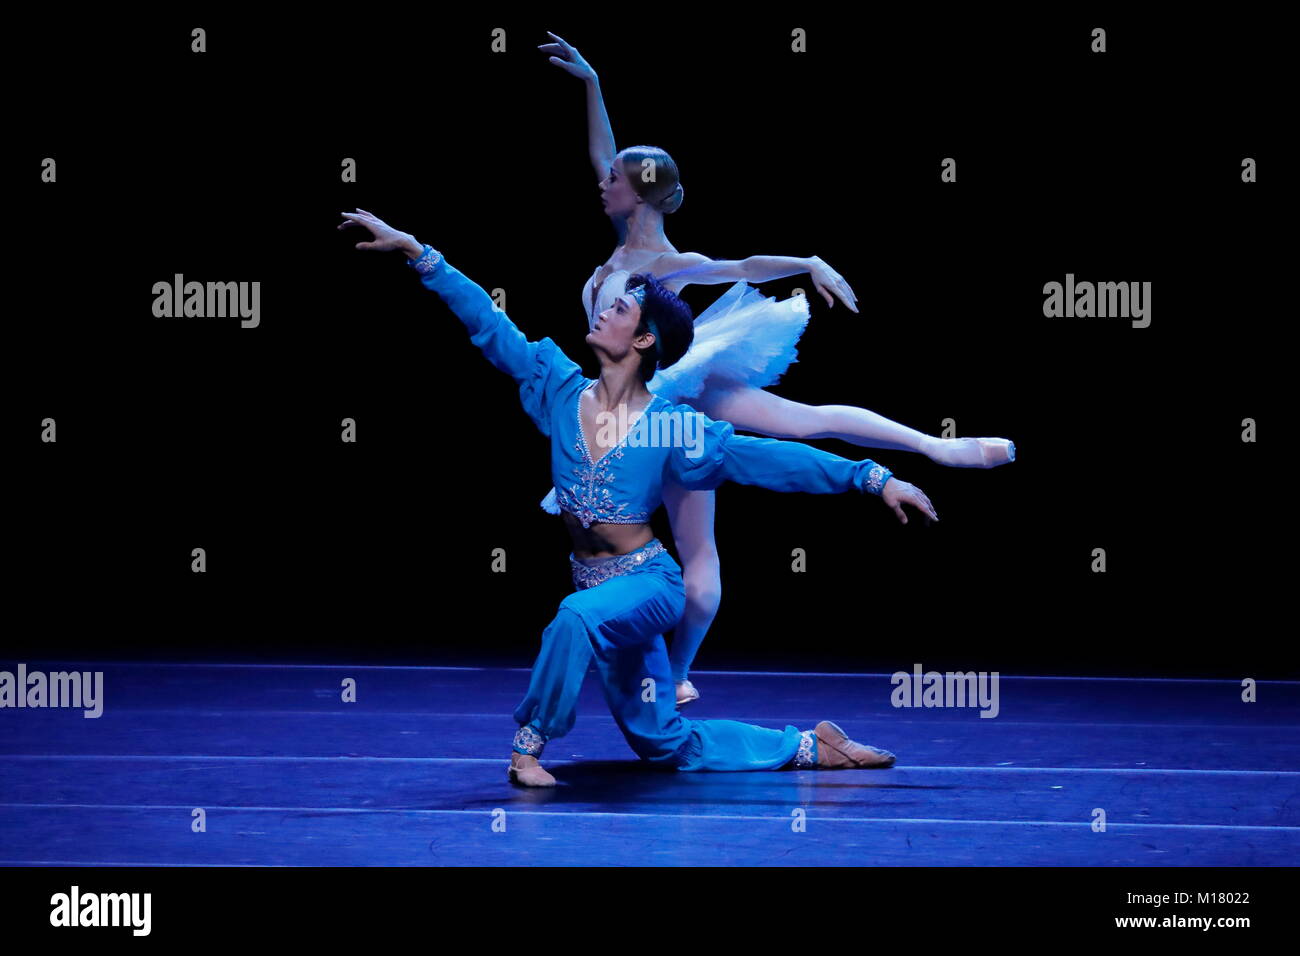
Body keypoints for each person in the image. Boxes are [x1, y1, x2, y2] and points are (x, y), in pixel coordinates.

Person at [339, 208, 938, 786]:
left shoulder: (673, 425)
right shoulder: (558, 388)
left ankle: (527, 748)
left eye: (620, 308)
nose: (604, 312)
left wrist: (872, 477)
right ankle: (810, 745)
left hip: (649, 585)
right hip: (594, 583)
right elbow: (491, 327)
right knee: (664, 742)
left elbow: (769, 458)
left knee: (572, 620)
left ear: (645, 337)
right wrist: (420, 254)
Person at [537, 31, 1015, 707]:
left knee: (792, 438)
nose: (602, 180)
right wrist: (590, 80)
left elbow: (738, 267)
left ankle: (940, 447)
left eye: (614, 178)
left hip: (673, 409)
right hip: (634, 412)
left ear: (638, 196)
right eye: (607, 173)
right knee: (693, 559)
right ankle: (667, 673)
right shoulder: (620, 249)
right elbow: (601, 152)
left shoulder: (665, 263)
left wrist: (808, 262)